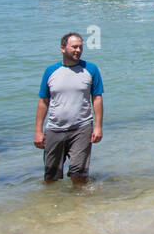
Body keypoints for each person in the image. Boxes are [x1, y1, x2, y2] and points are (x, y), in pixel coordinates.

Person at [34, 32, 103, 185]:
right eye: (74, 47)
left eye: (80, 47)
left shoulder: (91, 69)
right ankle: (50, 205)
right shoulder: (50, 71)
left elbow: (97, 99)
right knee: (50, 177)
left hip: (81, 128)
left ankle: (79, 206)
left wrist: (98, 127)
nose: (78, 50)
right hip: (54, 128)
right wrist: (38, 131)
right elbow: (43, 101)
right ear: (63, 48)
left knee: (78, 174)